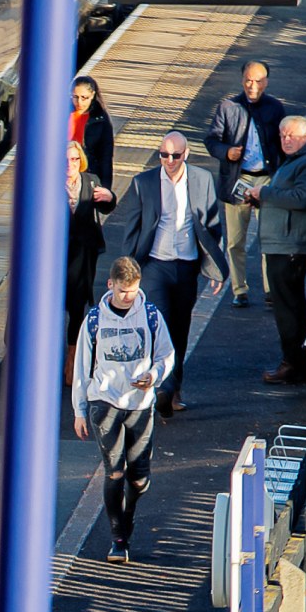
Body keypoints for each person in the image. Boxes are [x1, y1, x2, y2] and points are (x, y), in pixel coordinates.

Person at [112, 132, 229, 418]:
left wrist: (215, 269)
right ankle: (162, 388)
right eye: (164, 155)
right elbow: (133, 228)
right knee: (159, 323)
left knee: (180, 326)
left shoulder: (201, 180)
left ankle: (174, 388)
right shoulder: (145, 182)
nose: (169, 161)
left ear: (186, 154)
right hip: (154, 265)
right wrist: (125, 271)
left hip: (186, 264)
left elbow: (214, 226)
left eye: (175, 155)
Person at [72, 257, 179, 564]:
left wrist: (155, 376)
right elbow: (82, 368)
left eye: (132, 291)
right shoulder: (94, 320)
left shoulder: (151, 316)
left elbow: (166, 355)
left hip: (140, 403)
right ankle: (118, 538)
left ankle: (128, 514)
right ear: (111, 285)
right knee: (115, 471)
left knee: (139, 478)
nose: (127, 297)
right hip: (104, 401)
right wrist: (80, 410)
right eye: (122, 291)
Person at [248, 115, 306, 386]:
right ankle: (295, 362)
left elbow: (302, 197)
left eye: (292, 136)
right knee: (289, 302)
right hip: (284, 240)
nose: (286, 140)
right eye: (283, 135)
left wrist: (266, 194)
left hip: (292, 243)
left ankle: (293, 364)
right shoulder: (298, 159)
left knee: (288, 305)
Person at [205, 61, 290, 309]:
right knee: (235, 240)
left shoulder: (275, 108)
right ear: (242, 79)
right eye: (248, 80)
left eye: (258, 81)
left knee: (269, 236)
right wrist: (227, 151)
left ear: (266, 82)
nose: (252, 86)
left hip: (266, 178)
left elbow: (284, 144)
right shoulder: (228, 107)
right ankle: (239, 289)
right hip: (237, 179)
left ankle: (269, 289)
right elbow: (211, 140)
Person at [65, 140, 117, 336]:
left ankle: (72, 356)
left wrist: (110, 197)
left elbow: (106, 206)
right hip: (57, 255)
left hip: (84, 255)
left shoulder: (91, 181)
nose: (70, 164)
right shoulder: (49, 184)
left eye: (74, 159)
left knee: (77, 306)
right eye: (66, 160)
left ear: (81, 160)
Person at [70, 74, 117, 197]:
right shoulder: (60, 113)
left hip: (87, 176)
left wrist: (105, 188)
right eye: (75, 97)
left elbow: (106, 157)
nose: (79, 102)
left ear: (92, 95)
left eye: (84, 97)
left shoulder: (101, 120)